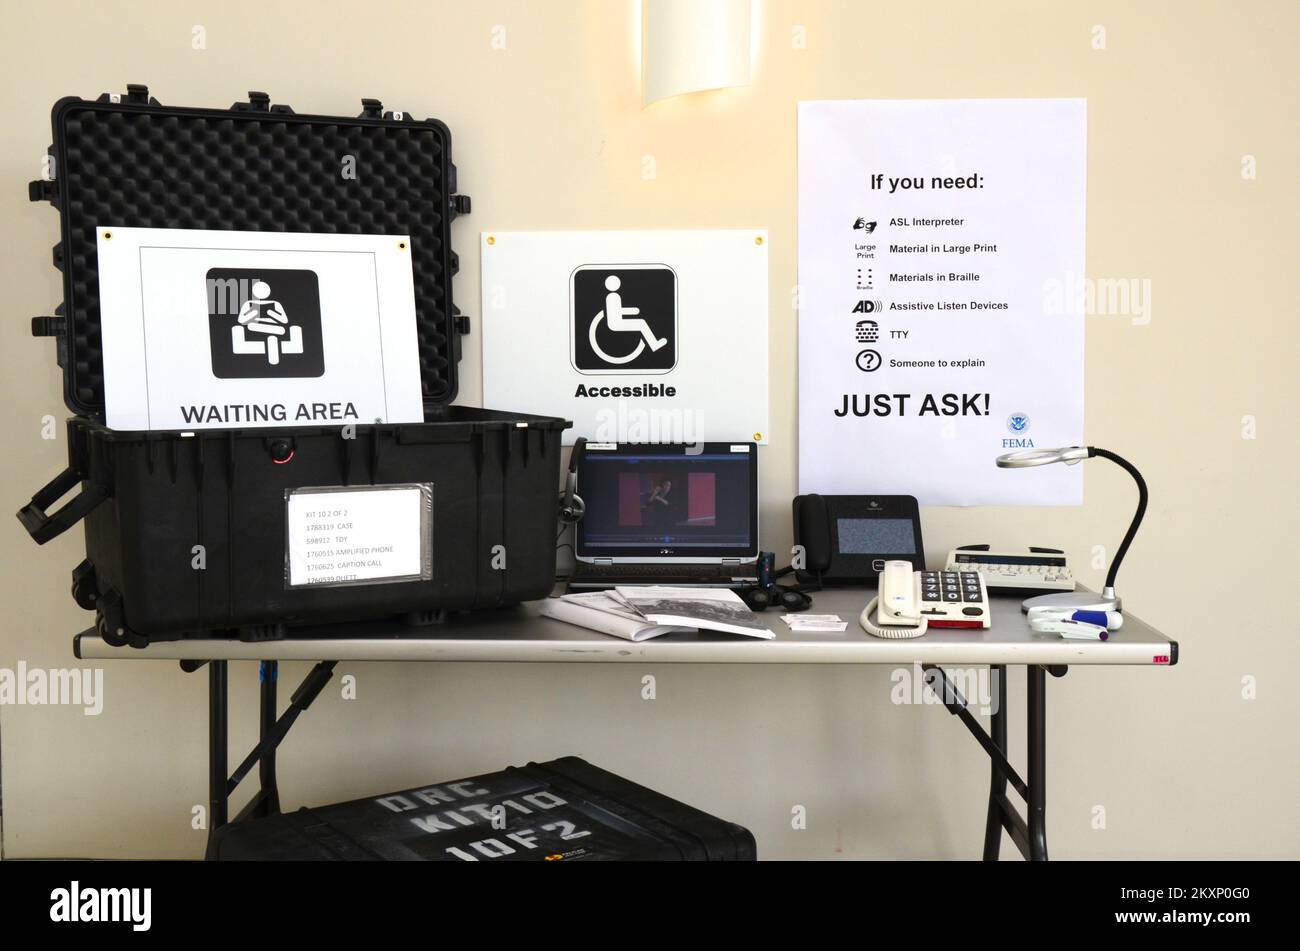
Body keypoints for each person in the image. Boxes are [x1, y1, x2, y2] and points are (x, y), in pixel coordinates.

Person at [601, 275, 667, 352]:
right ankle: (654, 344)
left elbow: (618, 311)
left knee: (641, 322)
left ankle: (654, 344)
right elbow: (616, 312)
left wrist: (633, 311)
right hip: (616, 323)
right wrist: (633, 310)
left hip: (617, 321)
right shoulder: (613, 296)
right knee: (641, 323)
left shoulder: (613, 296)